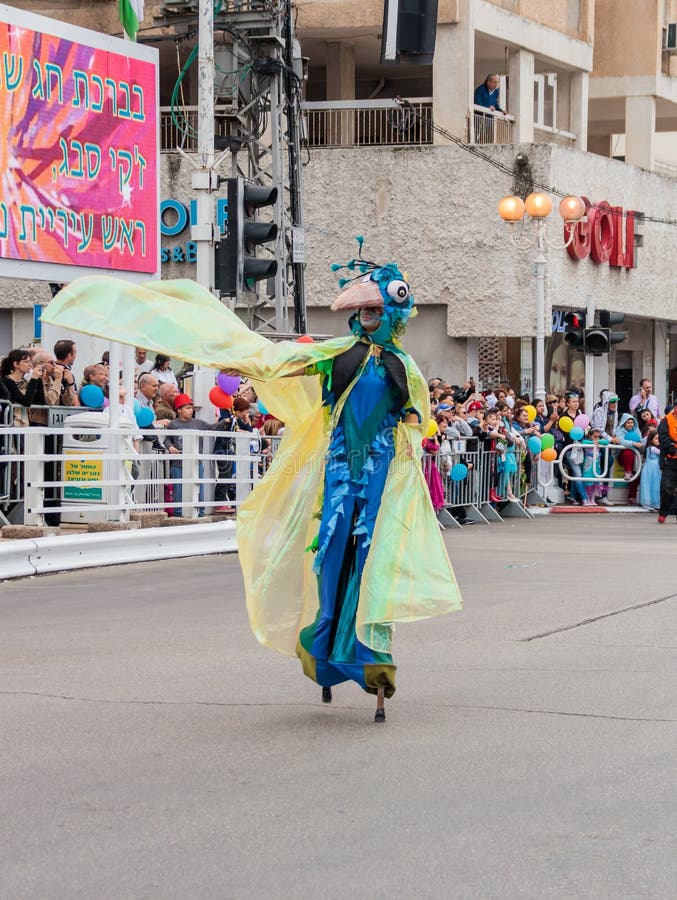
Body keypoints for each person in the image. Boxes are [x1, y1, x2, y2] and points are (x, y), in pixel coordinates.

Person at [43, 252, 462, 724]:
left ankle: (372, 661)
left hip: (381, 474)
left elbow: (415, 420)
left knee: (372, 564)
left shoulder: (403, 367)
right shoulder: (337, 355)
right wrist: (243, 362)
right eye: (363, 311)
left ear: (393, 315)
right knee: (330, 557)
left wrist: (406, 443)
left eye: (375, 311)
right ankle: (326, 651)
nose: (366, 317)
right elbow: (280, 364)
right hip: (340, 471)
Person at [0, 349, 46, 427]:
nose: (30, 365)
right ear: (16, 364)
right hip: (11, 423)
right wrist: (34, 378)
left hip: (25, 423)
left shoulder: (25, 382)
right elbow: (26, 402)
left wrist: (39, 379)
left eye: (30, 361)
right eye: (26, 362)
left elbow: (41, 401)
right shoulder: (6, 381)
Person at [614, 412, 644, 505]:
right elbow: (621, 441)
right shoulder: (620, 430)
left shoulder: (636, 430)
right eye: (628, 423)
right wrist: (633, 443)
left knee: (636, 474)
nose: (630, 424)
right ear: (624, 423)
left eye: (632, 422)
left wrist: (640, 444)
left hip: (636, 456)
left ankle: (632, 497)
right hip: (623, 455)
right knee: (629, 452)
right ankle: (627, 472)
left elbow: (641, 441)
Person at [657, 399, 677, 523]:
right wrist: (672, 448)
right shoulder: (666, 421)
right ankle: (663, 512)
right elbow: (663, 437)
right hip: (670, 458)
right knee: (667, 487)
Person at [474, 73, 508, 142]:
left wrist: (501, 110)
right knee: (479, 135)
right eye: (494, 82)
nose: (496, 84)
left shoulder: (496, 92)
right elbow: (477, 103)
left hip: (489, 118)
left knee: (489, 136)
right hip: (479, 117)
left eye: (497, 82)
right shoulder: (480, 90)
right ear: (488, 82)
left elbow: (495, 104)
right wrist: (488, 107)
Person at [639, 428, 660, 511]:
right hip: (650, 469)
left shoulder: (652, 448)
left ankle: (654, 503)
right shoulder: (652, 448)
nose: (658, 440)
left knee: (655, 485)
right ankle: (647, 502)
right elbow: (661, 453)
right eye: (656, 439)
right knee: (649, 485)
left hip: (655, 469)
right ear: (651, 440)